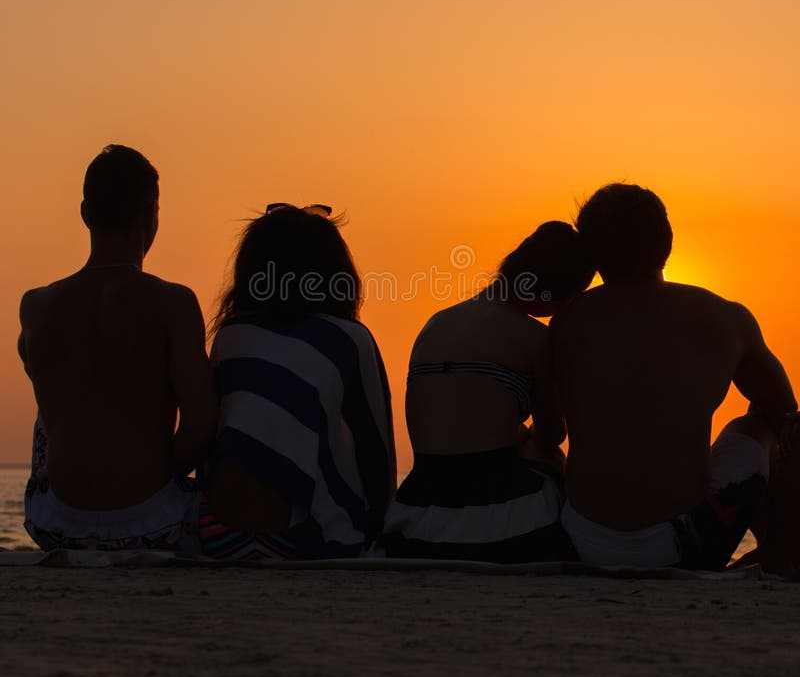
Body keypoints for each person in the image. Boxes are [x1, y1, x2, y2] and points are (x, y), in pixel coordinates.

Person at [553, 183, 799, 572]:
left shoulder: (567, 320)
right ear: (667, 241)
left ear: (592, 253)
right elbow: (784, 409)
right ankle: (781, 548)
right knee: (760, 426)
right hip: (686, 545)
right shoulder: (725, 317)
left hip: (581, 542)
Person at [18, 145, 217, 551]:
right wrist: (163, 475)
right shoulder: (173, 303)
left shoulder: (35, 306)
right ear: (150, 215)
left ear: (85, 213)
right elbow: (200, 425)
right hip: (154, 522)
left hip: (57, 525)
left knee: (52, 405)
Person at [381, 222, 594, 562]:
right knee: (549, 456)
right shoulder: (534, 337)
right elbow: (553, 434)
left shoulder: (435, 322)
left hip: (417, 507)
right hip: (496, 516)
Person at [200, 203, 396, 561]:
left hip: (217, 533)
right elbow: (375, 454)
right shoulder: (350, 338)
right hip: (298, 537)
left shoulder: (232, 334)